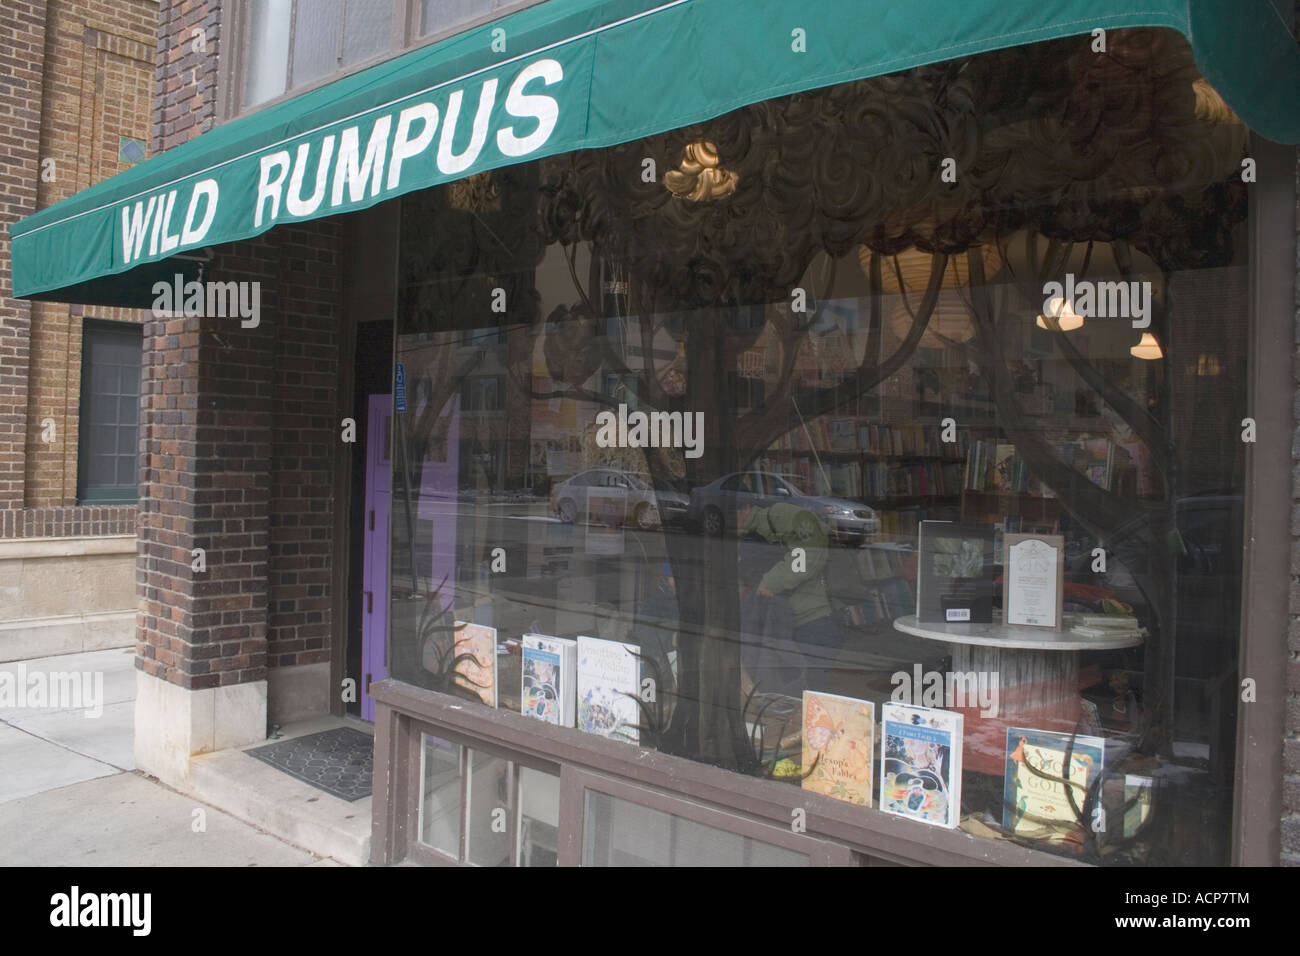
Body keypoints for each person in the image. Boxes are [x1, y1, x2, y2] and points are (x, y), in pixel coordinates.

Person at [736, 501, 849, 695]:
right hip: (781, 626)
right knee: (788, 691)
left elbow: (810, 553)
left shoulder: (780, 514)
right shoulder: (740, 537)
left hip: (813, 621)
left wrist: (770, 582)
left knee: (812, 691)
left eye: (730, 513)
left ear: (744, 507)